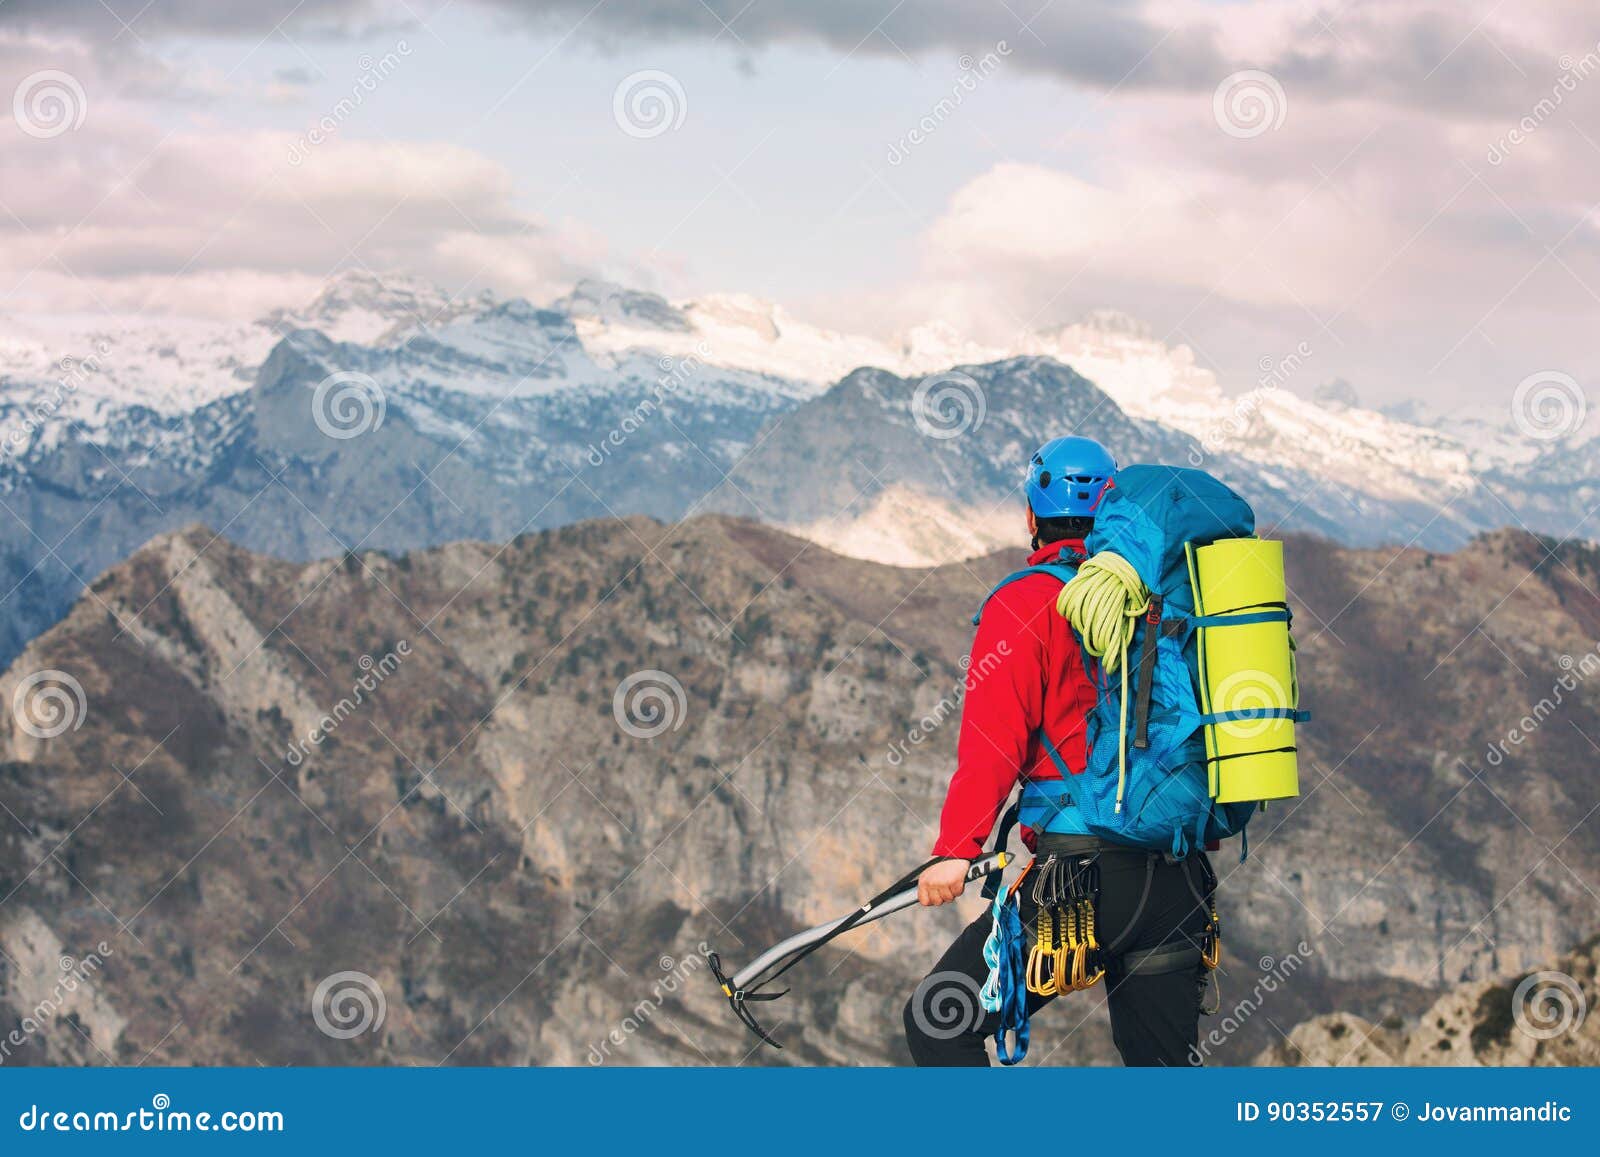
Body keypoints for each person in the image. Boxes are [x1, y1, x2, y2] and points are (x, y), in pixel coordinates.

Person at [904, 436, 1213, 1067]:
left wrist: (956, 851)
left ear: (1030, 516)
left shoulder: (1022, 603)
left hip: (1080, 883)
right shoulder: (1163, 597)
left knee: (938, 1025)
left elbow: (993, 744)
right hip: (1177, 880)